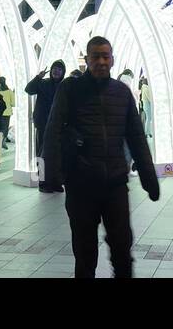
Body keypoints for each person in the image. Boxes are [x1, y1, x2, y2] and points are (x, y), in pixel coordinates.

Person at [43, 36, 158, 278]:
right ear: (87, 60)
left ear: (112, 59)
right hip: (81, 183)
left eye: (106, 56)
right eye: (96, 57)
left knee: (122, 249)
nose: (101, 61)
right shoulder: (70, 89)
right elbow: (52, 131)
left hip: (115, 183)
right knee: (85, 254)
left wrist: (149, 178)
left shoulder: (121, 92)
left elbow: (136, 137)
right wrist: (52, 175)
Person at [26, 60, 66, 192]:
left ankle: (56, 182)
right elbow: (29, 89)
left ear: (63, 72)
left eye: (59, 69)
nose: (56, 71)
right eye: (55, 68)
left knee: (58, 155)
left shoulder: (64, 86)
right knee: (42, 154)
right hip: (43, 124)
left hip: (59, 126)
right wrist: (38, 77)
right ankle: (43, 184)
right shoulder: (43, 83)